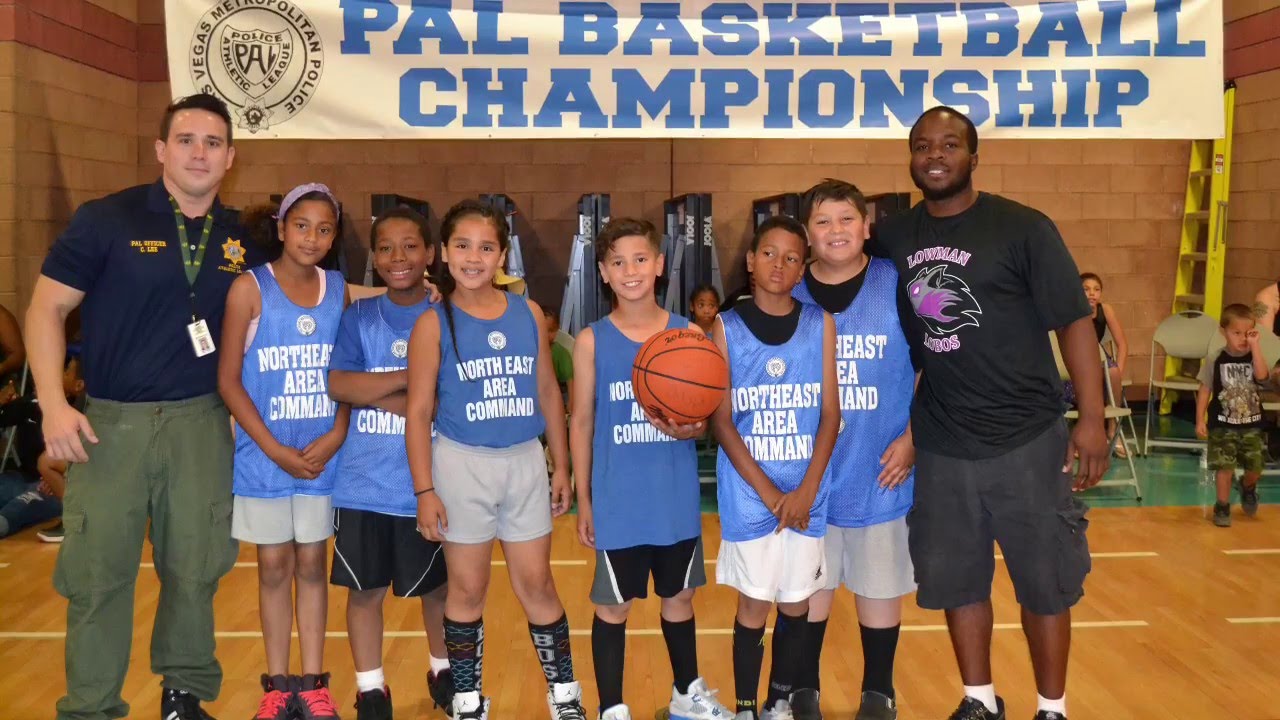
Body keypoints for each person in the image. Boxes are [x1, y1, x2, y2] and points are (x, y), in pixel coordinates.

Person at [25, 92, 260, 720]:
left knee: (196, 569)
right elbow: (46, 308)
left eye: (213, 143)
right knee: (96, 576)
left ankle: (183, 696)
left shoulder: (242, 237)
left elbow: (309, 291)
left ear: (230, 158)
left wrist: (415, 295)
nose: (199, 153)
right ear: (161, 149)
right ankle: (91, 707)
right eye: (186, 140)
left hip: (202, 425)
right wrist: (53, 404)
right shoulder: (107, 219)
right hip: (110, 429)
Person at [872, 106, 1109, 720]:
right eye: (923, 145)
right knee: (957, 579)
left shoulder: (1023, 227)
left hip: (1026, 437)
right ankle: (978, 699)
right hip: (944, 440)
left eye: (950, 144)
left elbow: (1074, 324)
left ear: (974, 156)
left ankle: (1052, 707)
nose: (935, 155)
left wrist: (1091, 418)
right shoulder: (895, 236)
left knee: (1045, 582)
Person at [405, 200, 586, 720]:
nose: (473, 257)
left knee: (538, 584)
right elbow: (418, 413)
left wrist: (562, 466)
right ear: (444, 252)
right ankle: (467, 701)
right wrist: (424, 490)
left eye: (486, 247)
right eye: (462, 246)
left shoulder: (527, 313)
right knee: (467, 589)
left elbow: (548, 392)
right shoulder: (431, 325)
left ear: (502, 255)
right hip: (461, 466)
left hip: (524, 462)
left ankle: (565, 697)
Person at [569, 217, 732, 720]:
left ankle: (685, 696)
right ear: (603, 272)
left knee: (680, 598)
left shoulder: (689, 334)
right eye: (617, 262)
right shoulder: (592, 340)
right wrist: (584, 499)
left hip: (673, 497)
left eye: (640, 259)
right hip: (618, 500)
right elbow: (581, 422)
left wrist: (693, 428)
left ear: (659, 264)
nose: (630, 270)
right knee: (612, 607)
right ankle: (612, 708)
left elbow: (704, 417)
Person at [218, 183, 351, 720]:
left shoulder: (338, 290)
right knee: (273, 566)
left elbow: (348, 370)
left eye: (324, 229)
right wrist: (272, 448)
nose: (311, 238)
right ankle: (276, 686)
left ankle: (314, 684)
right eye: (301, 226)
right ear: (280, 228)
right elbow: (228, 381)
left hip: (321, 456)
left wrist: (338, 431)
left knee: (313, 563)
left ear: (334, 237)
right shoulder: (249, 289)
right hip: (264, 458)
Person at [789, 179, 918, 720]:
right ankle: (803, 689)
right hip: (807, 474)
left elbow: (936, 365)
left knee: (879, 585)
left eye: (846, 219)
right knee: (808, 587)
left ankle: (878, 692)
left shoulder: (900, 284)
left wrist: (914, 438)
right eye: (822, 221)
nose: (836, 230)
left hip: (882, 464)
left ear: (867, 226)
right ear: (807, 233)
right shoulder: (788, 290)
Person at [710, 215, 840, 720]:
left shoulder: (820, 324)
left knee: (796, 603)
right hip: (750, 493)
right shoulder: (726, 327)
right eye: (768, 253)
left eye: (791, 257)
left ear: (803, 267)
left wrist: (806, 490)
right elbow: (722, 421)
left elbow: (830, 416)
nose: (779, 264)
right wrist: (769, 494)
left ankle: (778, 702)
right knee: (753, 604)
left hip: (807, 491)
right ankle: (746, 707)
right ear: (750, 260)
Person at [326, 206, 454, 719]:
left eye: (410, 246)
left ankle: (444, 672)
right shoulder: (359, 318)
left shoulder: (448, 317)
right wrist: (412, 379)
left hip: (431, 482)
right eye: (385, 248)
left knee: (437, 590)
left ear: (430, 254)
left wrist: (377, 390)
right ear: (374, 258)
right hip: (363, 482)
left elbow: (447, 400)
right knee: (365, 591)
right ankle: (371, 688)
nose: (398, 257)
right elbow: (340, 384)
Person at [1195, 303, 1270, 527]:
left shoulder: (1254, 356)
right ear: (1223, 331)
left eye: (1247, 333)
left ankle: (1247, 486)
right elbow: (1205, 389)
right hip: (1222, 423)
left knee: (1255, 467)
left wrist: (1255, 347)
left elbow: (1262, 376)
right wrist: (1200, 419)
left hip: (1252, 423)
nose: (1242, 338)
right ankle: (1222, 505)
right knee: (1224, 467)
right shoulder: (1215, 358)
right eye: (1236, 333)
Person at [1064, 273, 1129, 458]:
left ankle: (1112, 430)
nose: (1092, 293)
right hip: (1075, 361)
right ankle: (1080, 436)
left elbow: (1123, 345)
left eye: (1096, 289)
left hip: (1098, 359)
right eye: (1086, 289)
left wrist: (1119, 372)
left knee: (1113, 372)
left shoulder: (1105, 310)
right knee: (1090, 380)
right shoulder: (1071, 309)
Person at [543, 305, 574, 411]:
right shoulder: (528, 351)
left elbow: (570, 380)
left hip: (557, 395)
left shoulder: (560, 352)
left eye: (551, 330)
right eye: (543, 330)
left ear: (557, 330)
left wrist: (571, 402)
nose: (547, 335)